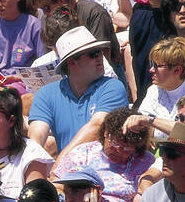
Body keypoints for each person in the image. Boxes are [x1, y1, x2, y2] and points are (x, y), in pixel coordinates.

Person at [27, 26, 129, 162]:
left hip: (107, 172)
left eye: (100, 52)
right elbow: (36, 140)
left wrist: (60, 164)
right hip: (68, 176)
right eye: (93, 54)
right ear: (71, 63)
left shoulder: (113, 87)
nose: (100, 57)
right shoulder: (46, 94)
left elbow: (96, 128)